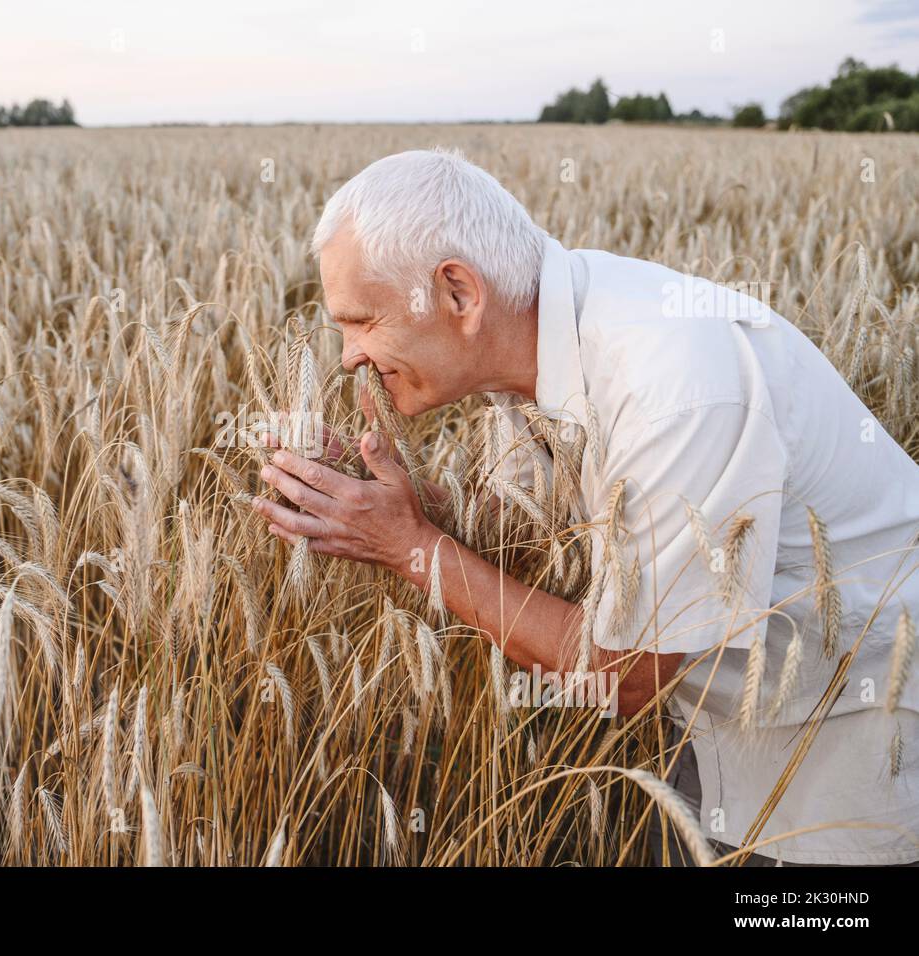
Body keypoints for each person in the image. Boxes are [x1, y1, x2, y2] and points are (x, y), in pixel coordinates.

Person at [250, 146, 919, 865]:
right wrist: (399, 503)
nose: (349, 355)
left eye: (361, 321)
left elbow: (623, 676)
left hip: (855, 740)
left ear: (458, 295)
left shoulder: (673, 387)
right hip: (726, 716)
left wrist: (407, 546)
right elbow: (532, 541)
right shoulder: (528, 344)